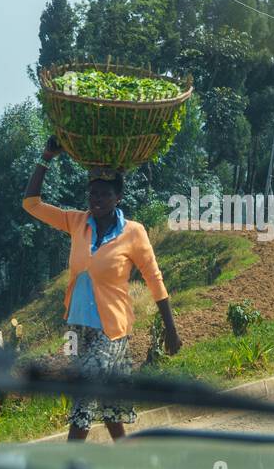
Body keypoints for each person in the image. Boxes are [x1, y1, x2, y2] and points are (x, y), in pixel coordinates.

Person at [23, 135, 182, 441]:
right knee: (108, 402)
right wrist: (46, 156)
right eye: (92, 193)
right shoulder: (76, 222)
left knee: (84, 396)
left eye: (104, 195)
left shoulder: (134, 233)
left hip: (112, 329)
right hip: (76, 328)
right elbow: (31, 203)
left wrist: (171, 331)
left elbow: (154, 280)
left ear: (117, 198)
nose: (95, 200)